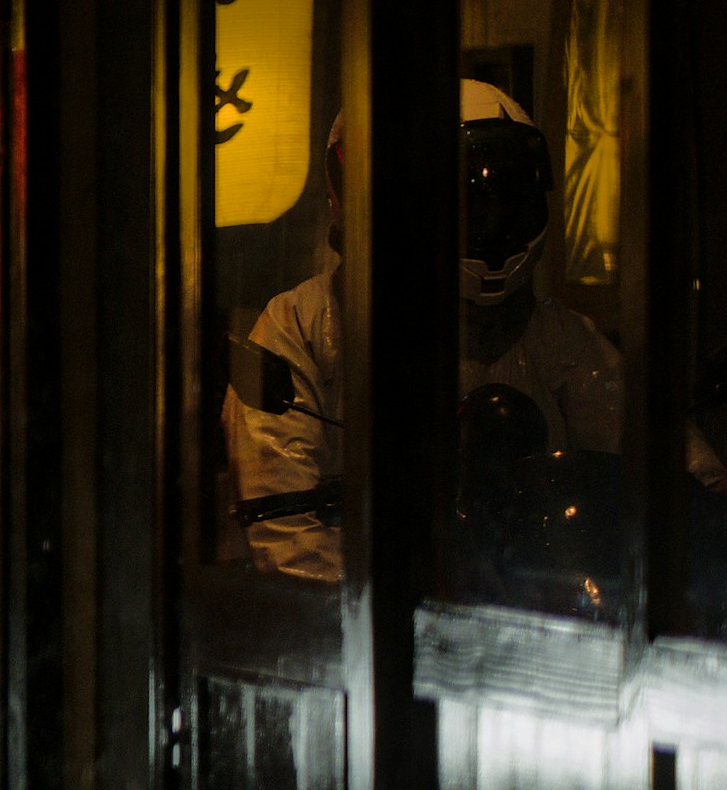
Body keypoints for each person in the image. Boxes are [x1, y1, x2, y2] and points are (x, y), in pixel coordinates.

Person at [229, 79, 619, 582]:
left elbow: (671, 477)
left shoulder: (563, 337)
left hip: (534, 622)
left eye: (499, 202)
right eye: (459, 205)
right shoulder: (303, 324)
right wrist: (381, 633)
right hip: (372, 626)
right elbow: (288, 535)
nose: (487, 220)